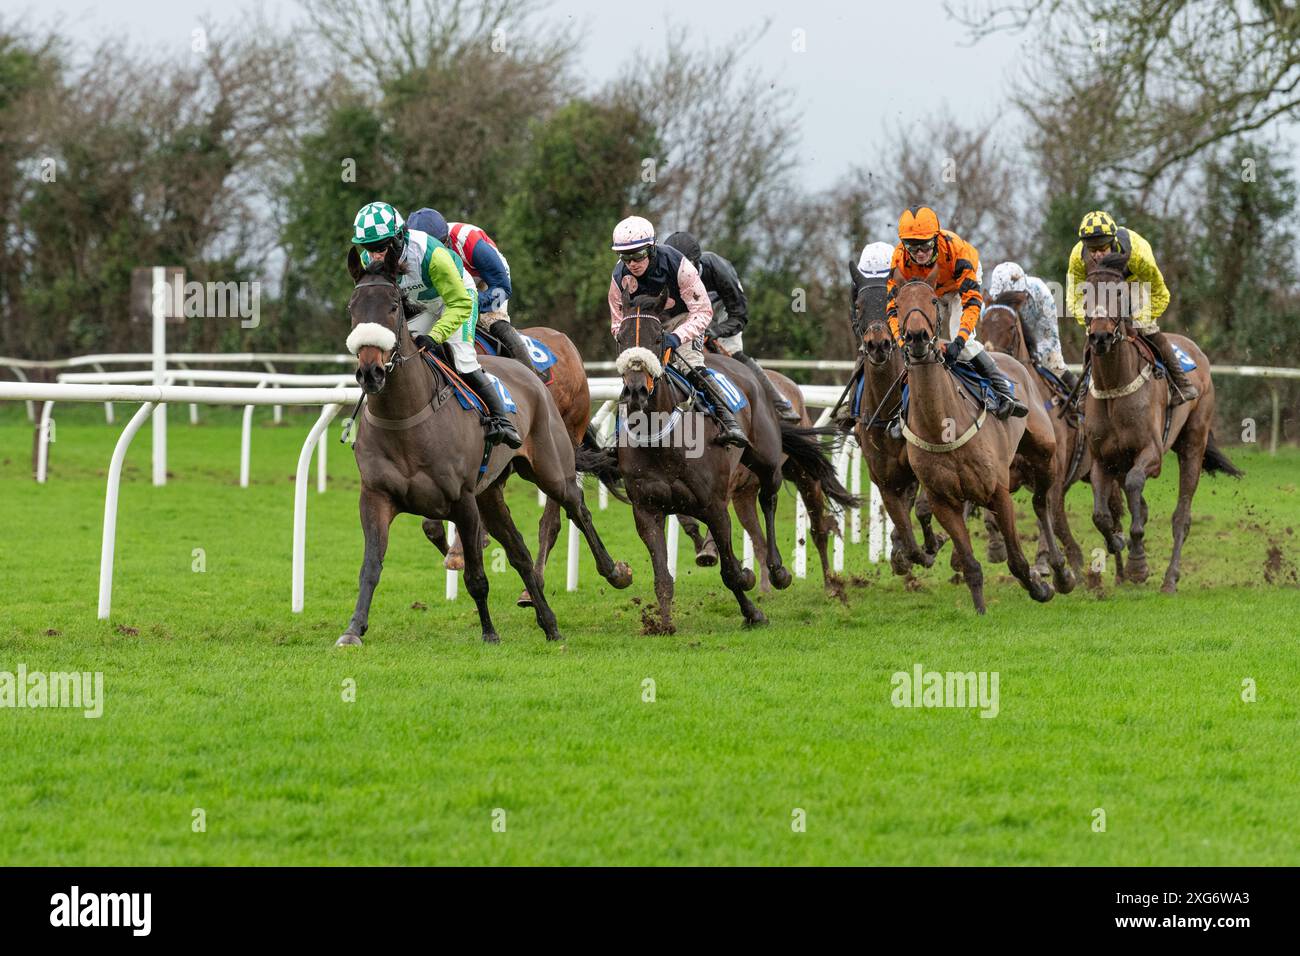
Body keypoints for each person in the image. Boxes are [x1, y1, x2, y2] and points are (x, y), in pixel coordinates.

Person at [350, 201, 521, 448]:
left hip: (456, 298)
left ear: (399, 238)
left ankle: (501, 420)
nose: (374, 255)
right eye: (368, 248)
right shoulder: (370, 260)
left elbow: (460, 303)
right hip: (423, 304)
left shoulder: (431, 254)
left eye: (380, 247)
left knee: (462, 358)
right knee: (398, 353)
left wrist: (436, 335)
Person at [607, 215, 748, 447]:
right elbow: (617, 322)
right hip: (646, 322)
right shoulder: (619, 276)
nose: (632, 263)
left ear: (651, 249)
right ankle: (617, 442)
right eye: (625, 256)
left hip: (684, 317)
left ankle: (728, 420)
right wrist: (630, 347)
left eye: (638, 255)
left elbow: (703, 312)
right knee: (633, 375)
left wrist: (676, 337)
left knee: (691, 365)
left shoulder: (678, 265)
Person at [885, 206, 1028, 429]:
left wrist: (959, 340)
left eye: (924, 245)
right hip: (930, 292)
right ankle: (902, 411)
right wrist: (901, 341)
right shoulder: (899, 261)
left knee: (963, 344)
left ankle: (1004, 391)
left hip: (960, 290)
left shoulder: (957, 251)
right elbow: (893, 309)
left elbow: (971, 302)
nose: (919, 252)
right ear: (904, 245)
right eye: (912, 246)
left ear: (936, 237)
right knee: (916, 342)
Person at [661, 231, 799, 422]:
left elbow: (739, 316)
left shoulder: (718, 270)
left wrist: (715, 331)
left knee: (731, 351)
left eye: (685, 267)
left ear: (696, 263)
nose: (680, 273)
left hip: (721, 307)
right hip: (690, 310)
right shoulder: (664, 271)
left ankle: (779, 402)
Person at [1067, 210, 1198, 405]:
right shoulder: (1078, 255)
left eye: (1102, 248)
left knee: (1147, 329)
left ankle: (1182, 383)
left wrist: (1140, 320)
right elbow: (1074, 294)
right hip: (1102, 287)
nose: (1097, 254)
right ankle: (1085, 389)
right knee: (1094, 334)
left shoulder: (1137, 251)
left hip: (1137, 285)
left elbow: (1159, 292)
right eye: (1092, 249)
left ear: (1112, 241)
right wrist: (1088, 320)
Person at [405, 208, 545, 381]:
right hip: (450, 281)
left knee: (496, 323)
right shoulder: (412, 251)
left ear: (447, 239)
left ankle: (533, 378)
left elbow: (502, 288)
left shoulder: (470, 242)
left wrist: (472, 303)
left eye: (441, 245)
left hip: (488, 280)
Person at [986, 261, 1078, 390]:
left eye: (1012, 301)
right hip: (1011, 335)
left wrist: (1034, 354)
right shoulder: (994, 299)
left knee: (1054, 363)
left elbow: (1050, 337)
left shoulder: (1042, 293)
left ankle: (1078, 395)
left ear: (1023, 292)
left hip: (1040, 333)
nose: (1009, 305)